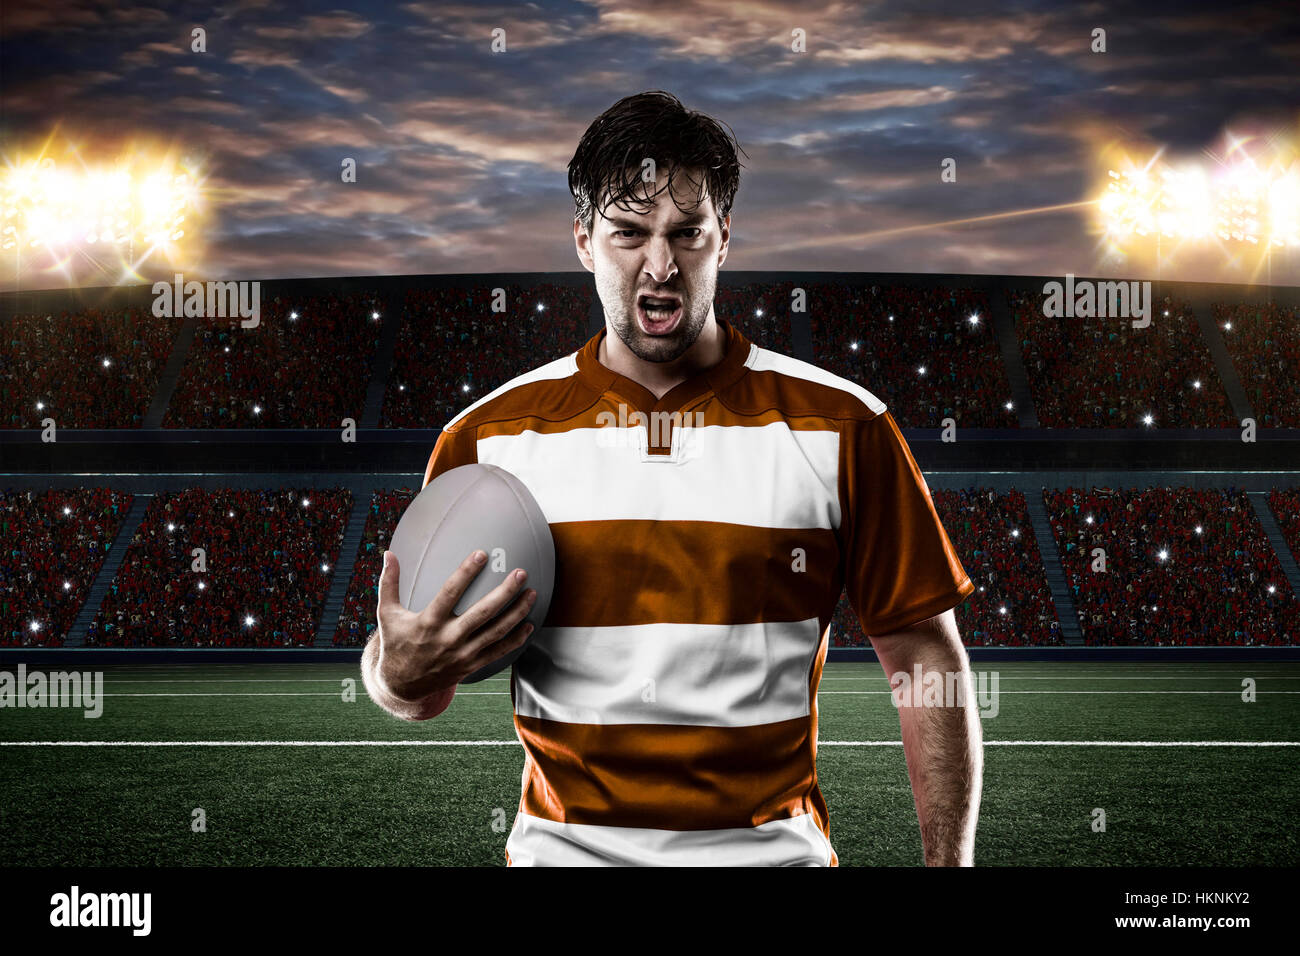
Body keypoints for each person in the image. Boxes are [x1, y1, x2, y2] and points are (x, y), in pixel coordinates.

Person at [363, 90, 981, 867]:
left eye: (687, 232)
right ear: (585, 240)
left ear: (725, 239)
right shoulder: (487, 438)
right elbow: (411, 682)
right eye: (629, 233)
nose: (660, 265)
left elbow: (926, 658)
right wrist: (394, 673)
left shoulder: (845, 426)